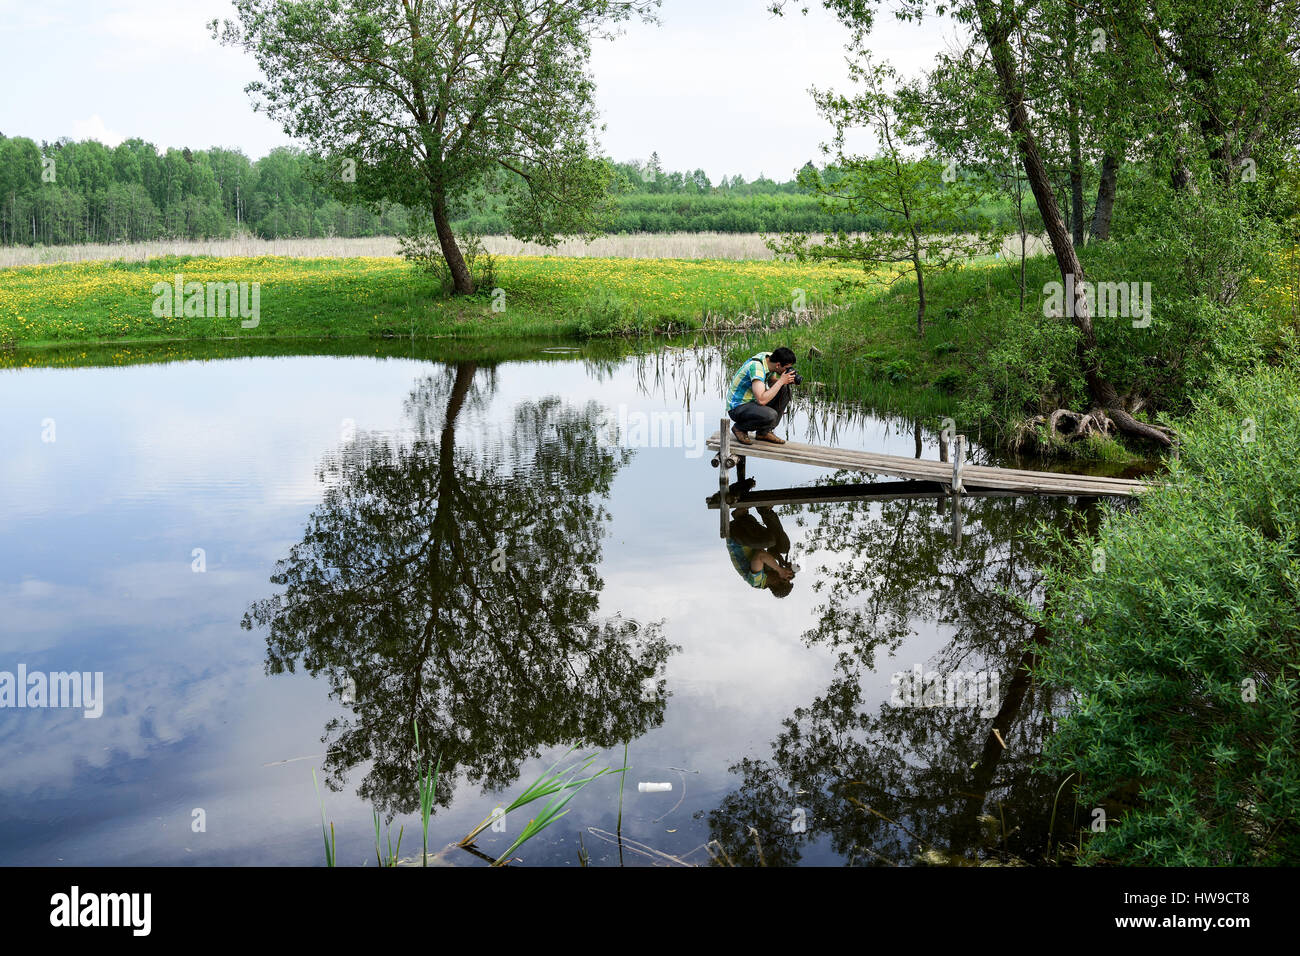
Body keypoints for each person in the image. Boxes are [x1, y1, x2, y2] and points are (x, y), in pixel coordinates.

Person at [726, 346, 797, 446]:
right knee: (770, 415)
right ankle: (739, 428)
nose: (788, 370)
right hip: (738, 407)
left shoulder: (769, 358)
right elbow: (761, 400)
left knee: (784, 389)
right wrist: (781, 381)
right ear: (778, 365)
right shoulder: (757, 368)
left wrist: (786, 381)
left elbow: (772, 381)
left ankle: (764, 432)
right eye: (786, 369)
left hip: (752, 402)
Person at [725, 504, 795, 598]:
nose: (784, 576)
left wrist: (780, 569)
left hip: (736, 535)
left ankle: (741, 516)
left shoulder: (757, 581)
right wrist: (782, 562)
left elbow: (761, 555)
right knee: (784, 547)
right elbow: (771, 552)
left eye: (784, 579)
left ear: (775, 582)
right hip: (748, 537)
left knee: (770, 541)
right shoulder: (769, 572)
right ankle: (765, 511)